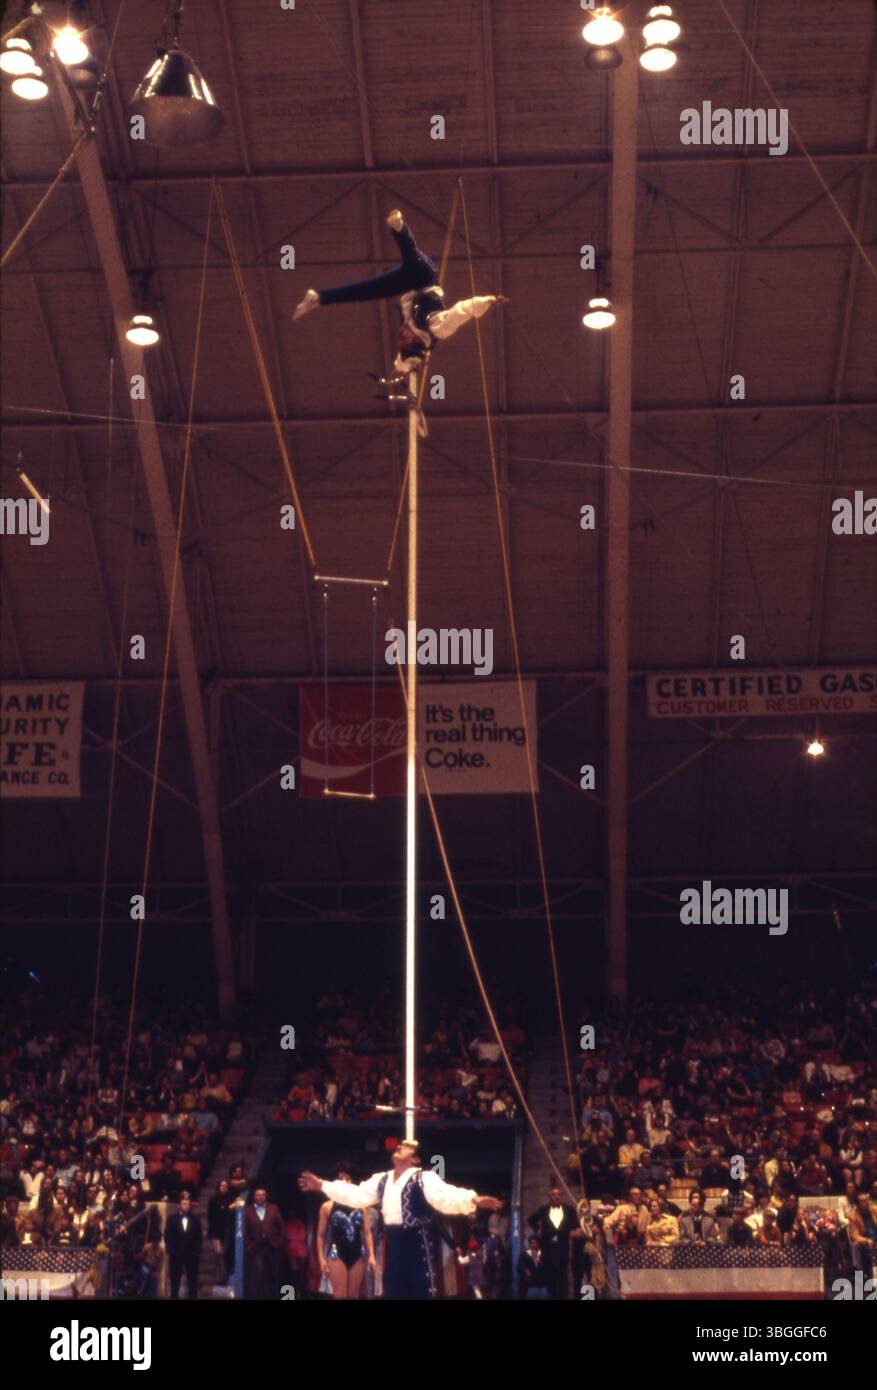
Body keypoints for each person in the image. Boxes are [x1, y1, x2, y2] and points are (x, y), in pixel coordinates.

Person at [294, 211, 508, 375]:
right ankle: (399, 228)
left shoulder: (412, 341)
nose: (401, 336)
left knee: (365, 290)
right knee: (413, 259)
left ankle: (319, 298)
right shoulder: (436, 328)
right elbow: (461, 311)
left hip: (407, 287)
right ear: (416, 341)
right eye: (404, 340)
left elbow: (405, 358)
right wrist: (488, 301)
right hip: (425, 278)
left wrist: (400, 370)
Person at [299, 1138, 501, 1300]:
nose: (400, 1146)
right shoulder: (382, 1179)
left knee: (420, 1293)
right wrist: (322, 1185)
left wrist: (474, 1199)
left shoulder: (424, 1178)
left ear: (415, 1159)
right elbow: (357, 1195)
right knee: (394, 1292)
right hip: (394, 1248)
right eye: (401, 1144)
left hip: (417, 1247)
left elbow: (446, 1197)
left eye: (407, 1146)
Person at [316, 1163, 376, 1300]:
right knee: (340, 1295)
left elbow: (367, 1232)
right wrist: (321, 1258)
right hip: (337, 1253)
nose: (345, 1182)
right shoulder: (326, 1206)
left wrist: (372, 1255)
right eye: (341, 1179)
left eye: (347, 1179)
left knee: (353, 1295)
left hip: (357, 1253)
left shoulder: (361, 1206)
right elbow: (320, 1235)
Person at [528, 1185, 578, 1299]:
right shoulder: (543, 1209)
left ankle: (563, 1297)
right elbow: (531, 1220)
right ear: (549, 1197)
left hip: (563, 1247)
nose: (556, 1196)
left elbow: (575, 1224)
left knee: (563, 1275)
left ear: (561, 1196)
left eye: (558, 1194)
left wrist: (569, 1232)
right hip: (547, 1247)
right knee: (550, 1274)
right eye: (553, 1194)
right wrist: (538, 1230)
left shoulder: (569, 1209)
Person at [244, 1186, 285, 1298]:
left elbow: (281, 1226)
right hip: (256, 1247)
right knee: (258, 1273)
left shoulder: (273, 1208)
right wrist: (249, 1244)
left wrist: (279, 1241)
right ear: (254, 1197)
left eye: (263, 1194)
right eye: (258, 1194)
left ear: (266, 1197)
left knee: (273, 1273)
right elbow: (245, 1230)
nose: (261, 1197)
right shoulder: (247, 1211)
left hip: (272, 1245)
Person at [164, 1195, 203, 1299]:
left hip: (191, 1254)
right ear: (179, 1205)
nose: (186, 1206)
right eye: (184, 1203)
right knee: (175, 1281)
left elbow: (199, 1237)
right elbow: (167, 1235)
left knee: (192, 1281)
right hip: (176, 1254)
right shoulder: (172, 1218)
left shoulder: (195, 1219)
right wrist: (170, 1250)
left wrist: (197, 1251)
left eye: (188, 1204)